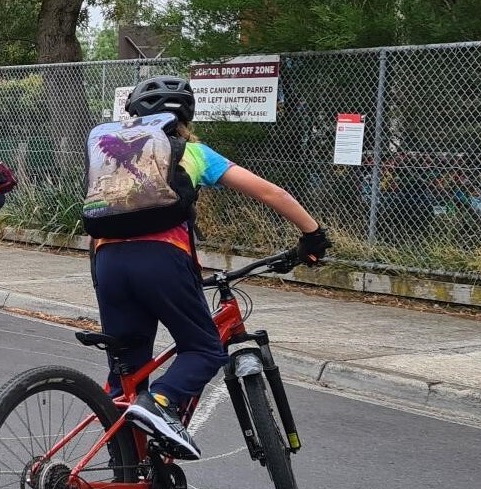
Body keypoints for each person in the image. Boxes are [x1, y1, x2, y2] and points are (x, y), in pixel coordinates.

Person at [98, 76, 331, 460]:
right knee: (204, 349)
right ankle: (161, 400)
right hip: (162, 260)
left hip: (106, 262)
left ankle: (125, 482)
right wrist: (313, 235)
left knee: (125, 373)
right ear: (185, 117)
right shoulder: (192, 152)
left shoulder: (109, 156)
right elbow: (272, 193)